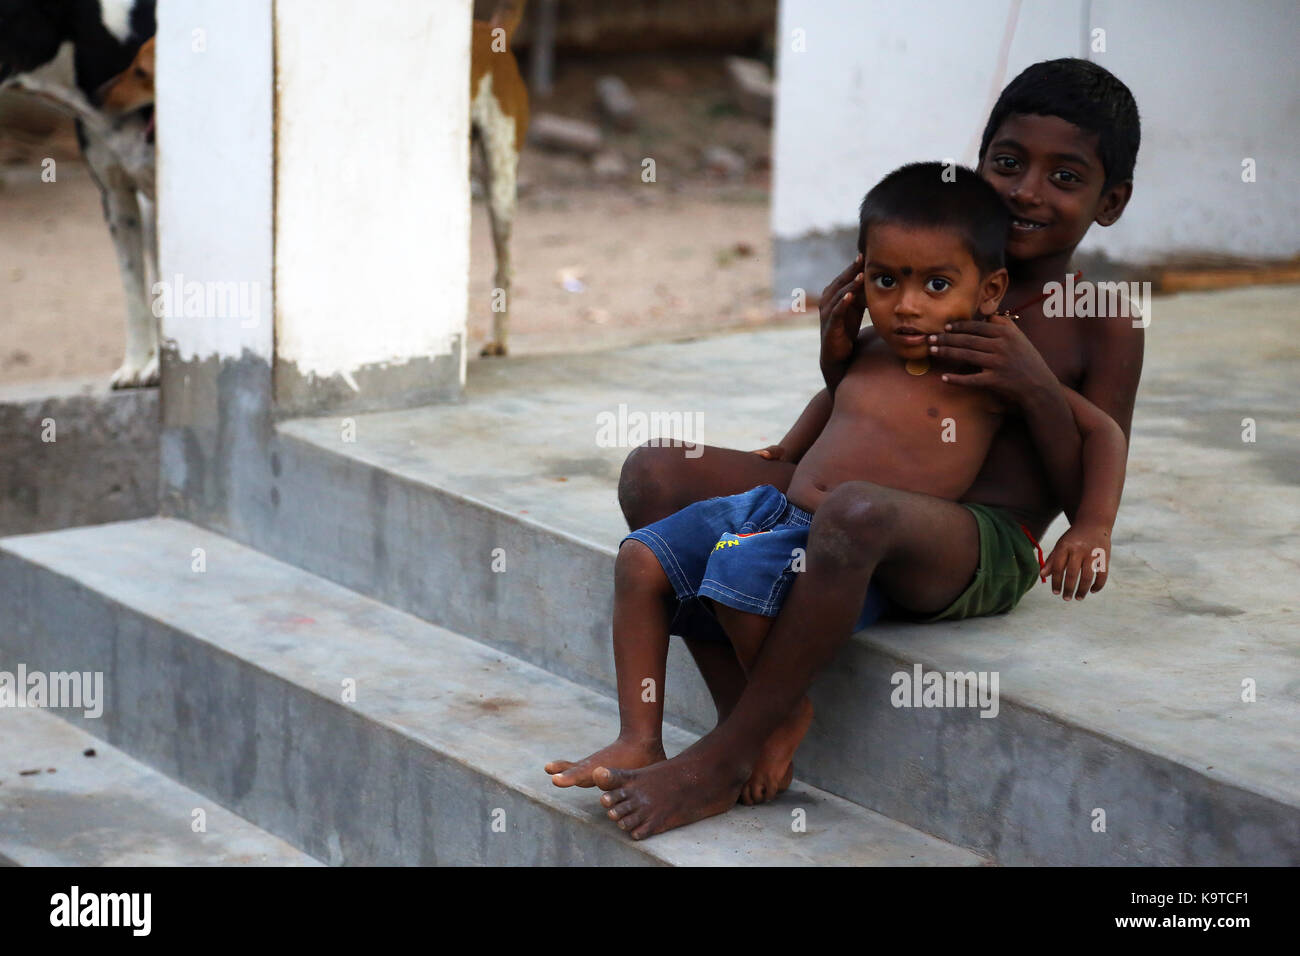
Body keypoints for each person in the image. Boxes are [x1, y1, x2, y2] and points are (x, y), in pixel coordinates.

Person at [592, 58, 1144, 840]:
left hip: (979, 537)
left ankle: (722, 758)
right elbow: (864, 402)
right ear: (978, 162)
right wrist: (836, 358)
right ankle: (751, 708)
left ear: (1109, 202)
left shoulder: (1103, 319)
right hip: (863, 496)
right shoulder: (926, 265)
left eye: (1065, 176)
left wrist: (1037, 390)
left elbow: (1080, 472)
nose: (1026, 190)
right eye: (1009, 163)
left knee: (852, 512)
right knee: (655, 472)